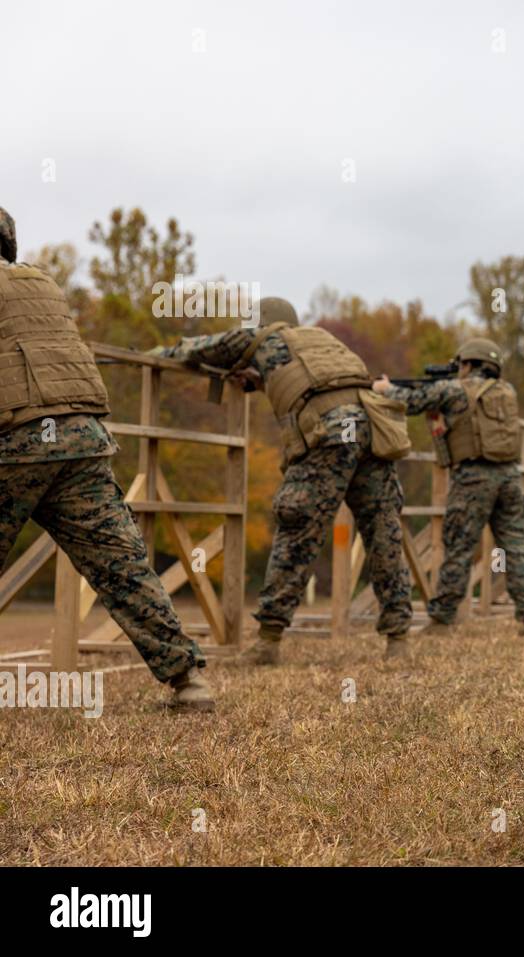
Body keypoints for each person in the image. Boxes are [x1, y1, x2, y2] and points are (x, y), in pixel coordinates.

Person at [0, 207, 212, 709]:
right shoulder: (43, 285)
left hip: (15, 444)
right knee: (123, 568)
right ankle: (189, 681)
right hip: (82, 441)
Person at [158, 298, 413, 662]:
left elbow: (206, 347)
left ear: (262, 325)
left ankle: (268, 641)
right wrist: (259, 380)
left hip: (331, 432)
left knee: (297, 527)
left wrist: (164, 352)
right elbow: (317, 383)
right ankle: (398, 639)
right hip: (373, 429)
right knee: (383, 531)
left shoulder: (266, 339)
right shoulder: (320, 341)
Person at [374, 339, 524, 635]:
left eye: (461, 365)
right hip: (509, 477)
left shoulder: (454, 389)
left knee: (458, 548)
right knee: (516, 549)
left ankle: (442, 620)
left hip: (473, 478)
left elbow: (411, 402)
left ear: (468, 364)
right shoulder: (507, 392)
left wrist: (385, 389)